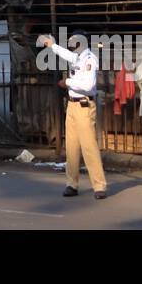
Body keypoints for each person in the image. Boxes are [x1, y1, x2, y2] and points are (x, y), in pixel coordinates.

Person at [39, 34, 107, 199]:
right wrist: (52, 45)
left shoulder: (90, 59)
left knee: (89, 147)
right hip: (72, 106)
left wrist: (67, 82)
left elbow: (88, 86)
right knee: (71, 147)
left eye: (72, 43)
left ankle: (99, 186)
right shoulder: (77, 57)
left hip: (84, 106)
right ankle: (72, 184)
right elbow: (66, 55)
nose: (70, 46)